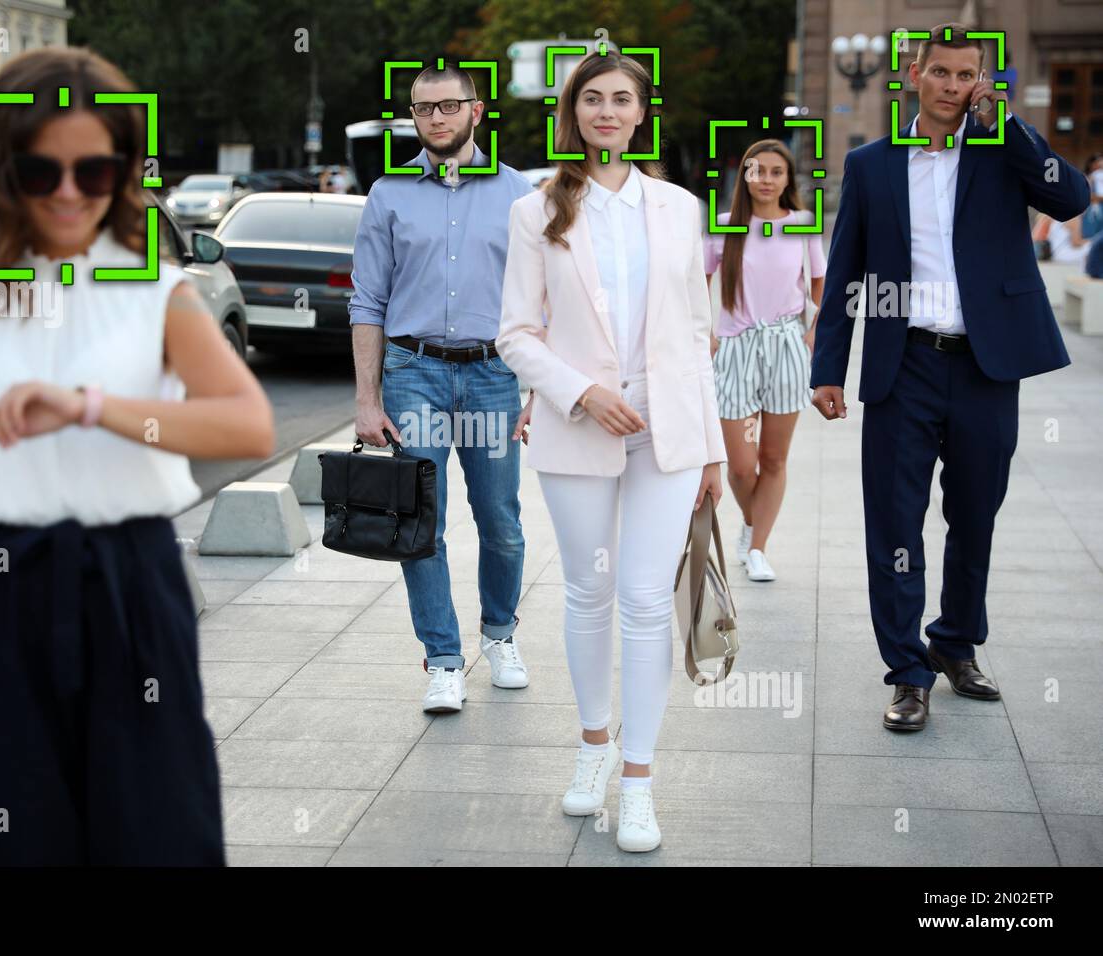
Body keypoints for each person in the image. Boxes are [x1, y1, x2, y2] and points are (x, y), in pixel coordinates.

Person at [0, 47, 276, 864]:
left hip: (128, 584)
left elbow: (249, 427)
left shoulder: (158, 293)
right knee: (21, 840)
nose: (69, 193)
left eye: (94, 170)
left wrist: (91, 408)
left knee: (159, 832)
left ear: (121, 170)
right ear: (4, 170)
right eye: (41, 171)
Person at [810, 24, 1089, 732]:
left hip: (987, 368)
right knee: (895, 524)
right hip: (904, 367)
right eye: (940, 71)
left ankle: (955, 643)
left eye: (967, 75)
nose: (952, 85)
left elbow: (1072, 198)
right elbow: (845, 272)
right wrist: (828, 369)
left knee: (974, 517)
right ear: (914, 74)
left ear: (981, 84)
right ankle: (907, 673)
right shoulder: (872, 164)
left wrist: (1012, 129)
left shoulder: (1004, 156)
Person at [496, 51, 725, 852]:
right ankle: (592, 747)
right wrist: (580, 392)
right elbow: (515, 335)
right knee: (589, 595)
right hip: (578, 427)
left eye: (620, 99)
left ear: (640, 113)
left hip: (669, 431)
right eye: (591, 98)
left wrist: (714, 449)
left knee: (645, 598)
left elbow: (697, 332)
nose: (606, 111)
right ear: (573, 113)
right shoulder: (537, 211)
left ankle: (638, 778)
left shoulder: (678, 207)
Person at [349, 64, 535, 713]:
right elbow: (368, 300)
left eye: (448, 106)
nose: (435, 119)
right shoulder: (389, 193)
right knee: (418, 522)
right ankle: (445, 658)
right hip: (413, 374)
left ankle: (501, 633)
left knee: (501, 522)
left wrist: (537, 388)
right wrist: (367, 400)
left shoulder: (518, 193)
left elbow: (540, 300)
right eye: (423, 109)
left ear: (476, 110)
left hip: (493, 374)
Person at [704, 139, 825, 581]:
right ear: (746, 177)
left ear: (788, 179)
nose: (767, 180)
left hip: (786, 347)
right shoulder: (725, 225)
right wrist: (708, 332)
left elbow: (818, 281)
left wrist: (811, 330)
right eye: (758, 171)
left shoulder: (801, 224)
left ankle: (757, 548)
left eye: (777, 172)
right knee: (739, 463)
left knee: (774, 459)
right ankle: (753, 520)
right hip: (736, 349)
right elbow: (700, 282)